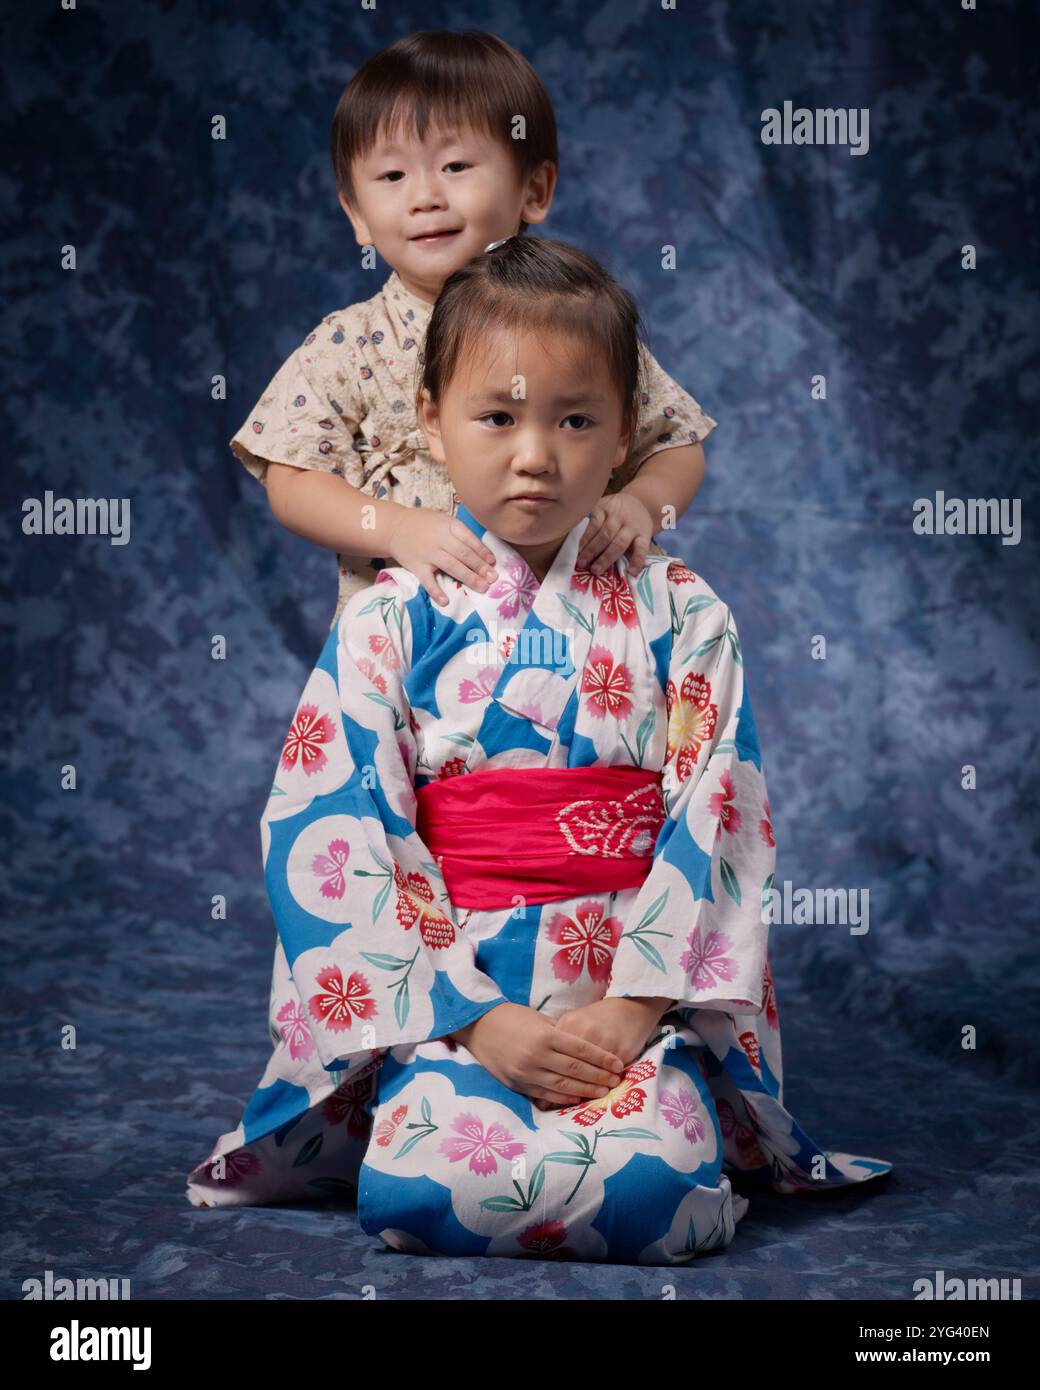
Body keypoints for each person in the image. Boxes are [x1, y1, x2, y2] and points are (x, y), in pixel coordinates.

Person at [186, 236, 892, 1265]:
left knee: (661, 1197)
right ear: (431, 419)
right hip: (449, 1005)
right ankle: (426, 1084)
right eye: (496, 417)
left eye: (574, 419)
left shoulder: (680, 611)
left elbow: (716, 815)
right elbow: (332, 825)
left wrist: (633, 1007)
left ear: (621, 434)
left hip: (624, 994)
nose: (533, 454)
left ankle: (661, 1087)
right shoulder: (388, 618)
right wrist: (474, 1020)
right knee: (423, 1188)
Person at [229, 30, 718, 632]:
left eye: (456, 166)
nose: (426, 197)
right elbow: (294, 478)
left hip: (588, 630)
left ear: (533, 189)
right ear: (356, 213)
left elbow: (674, 440)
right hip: (420, 639)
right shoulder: (346, 346)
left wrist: (639, 506)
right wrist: (393, 527)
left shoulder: (577, 321)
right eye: (391, 177)